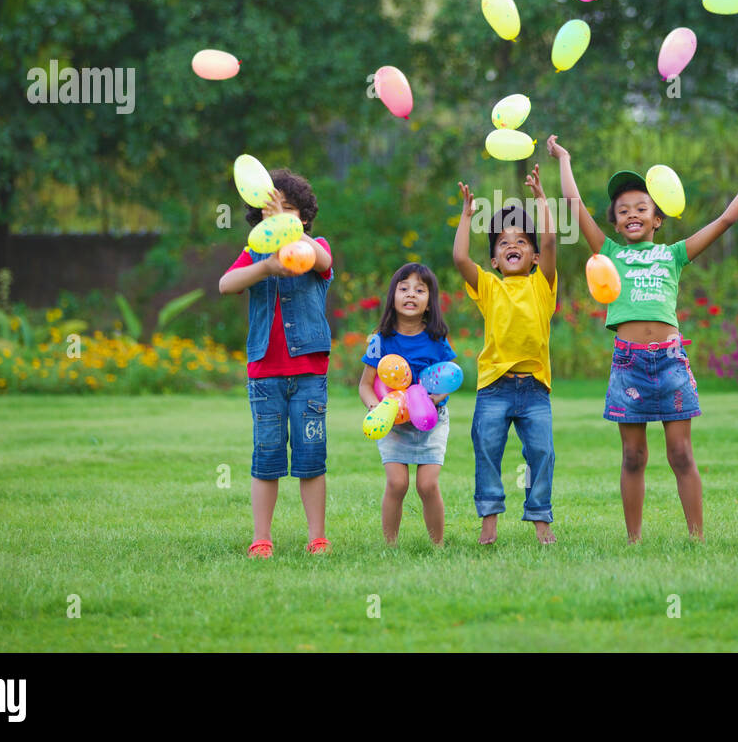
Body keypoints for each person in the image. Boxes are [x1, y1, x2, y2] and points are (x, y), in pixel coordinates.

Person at [549, 134, 738, 542]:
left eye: (642, 208)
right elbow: (574, 206)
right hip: (629, 363)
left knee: (680, 453)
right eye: (623, 211)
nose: (632, 215)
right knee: (633, 456)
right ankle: (634, 538)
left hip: (671, 361)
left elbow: (726, 220)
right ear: (615, 222)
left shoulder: (674, 254)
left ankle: (696, 537)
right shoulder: (608, 251)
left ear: (658, 219)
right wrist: (565, 159)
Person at [218, 169, 334, 558]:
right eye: (271, 209)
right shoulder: (255, 255)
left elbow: (323, 259)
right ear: (258, 217)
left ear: (303, 217)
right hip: (265, 375)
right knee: (266, 456)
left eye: (288, 209)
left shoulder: (314, 245)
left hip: (309, 374)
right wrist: (266, 267)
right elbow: (226, 284)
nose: (279, 214)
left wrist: (290, 231)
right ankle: (261, 538)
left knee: (310, 457)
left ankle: (317, 537)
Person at [452, 164, 558, 545]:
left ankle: (541, 522)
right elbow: (461, 259)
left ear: (531, 256)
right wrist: (466, 217)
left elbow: (550, 244)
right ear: (495, 260)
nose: (512, 245)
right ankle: (489, 526)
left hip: (534, 390)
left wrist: (543, 201)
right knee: (487, 451)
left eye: (521, 241)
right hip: (494, 387)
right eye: (503, 242)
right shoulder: (489, 287)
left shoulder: (542, 285)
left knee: (542, 453)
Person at [358, 263, 458, 546]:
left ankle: (437, 545)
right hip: (393, 421)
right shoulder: (381, 340)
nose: (411, 294)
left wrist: (434, 399)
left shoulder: (436, 339)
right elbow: (365, 384)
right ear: (393, 297)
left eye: (419, 289)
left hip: (431, 419)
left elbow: (446, 379)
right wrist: (376, 408)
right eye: (403, 288)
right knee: (397, 483)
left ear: (429, 302)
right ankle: (390, 545)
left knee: (427, 485)